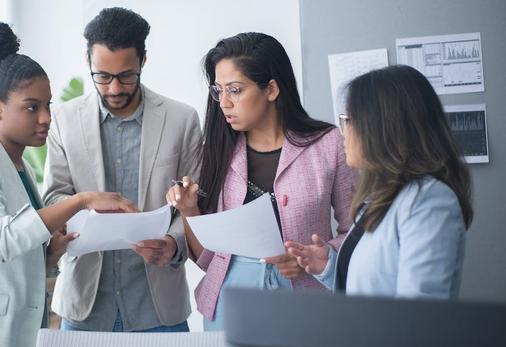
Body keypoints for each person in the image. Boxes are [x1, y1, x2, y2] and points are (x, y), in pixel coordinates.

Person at [0, 22, 138, 347]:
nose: (46, 117)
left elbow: (15, 252)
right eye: (32, 107)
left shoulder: (20, 166)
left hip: (20, 327)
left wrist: (48, 255)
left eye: (48, 105)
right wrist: (82, 200)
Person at [166, 32, 355, 331]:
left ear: (271, 89)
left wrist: (321, 258)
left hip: (306, 300)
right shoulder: (216, 150)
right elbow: (207, 260)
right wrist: (189, 212)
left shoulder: (329, 144)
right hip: (229, 301)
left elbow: (356, 232)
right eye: (219, 91)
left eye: (235, 90)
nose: (223, 103)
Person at [43, 8, 202, 332]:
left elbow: (195, 203)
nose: (114, 88)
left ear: (143, 60)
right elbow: (54, 197)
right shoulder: (63, 119)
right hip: (84, 305)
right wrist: (86, 202)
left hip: (158, 308)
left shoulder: (181, 120)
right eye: (103, 76)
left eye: (126, 76)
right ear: (88, 61)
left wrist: (172, 244)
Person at [286, 64, 473, 298]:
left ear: (382, 127)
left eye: (348, 120)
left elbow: (420, 312)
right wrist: (329, 266)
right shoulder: (382, 197)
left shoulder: (429, 201)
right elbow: (371, 288)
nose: (343, 132)